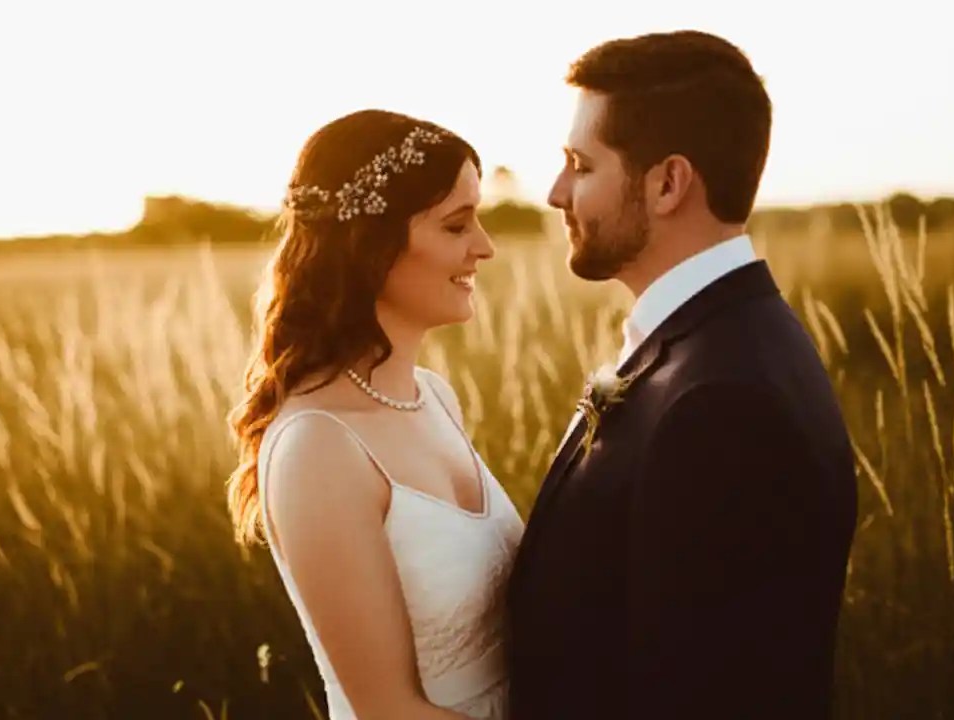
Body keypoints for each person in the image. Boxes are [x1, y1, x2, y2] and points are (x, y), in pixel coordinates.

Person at [505, 31, 859, 719]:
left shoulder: (720, 404)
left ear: (668, 183)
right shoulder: (716, 343)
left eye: (581, 164)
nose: (554, 192)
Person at [227, 109, 523, 720]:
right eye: (456, 225)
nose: (484, 247)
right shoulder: (318, 446)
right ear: (373, 246)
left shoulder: (435, 397)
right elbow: (387, 710)